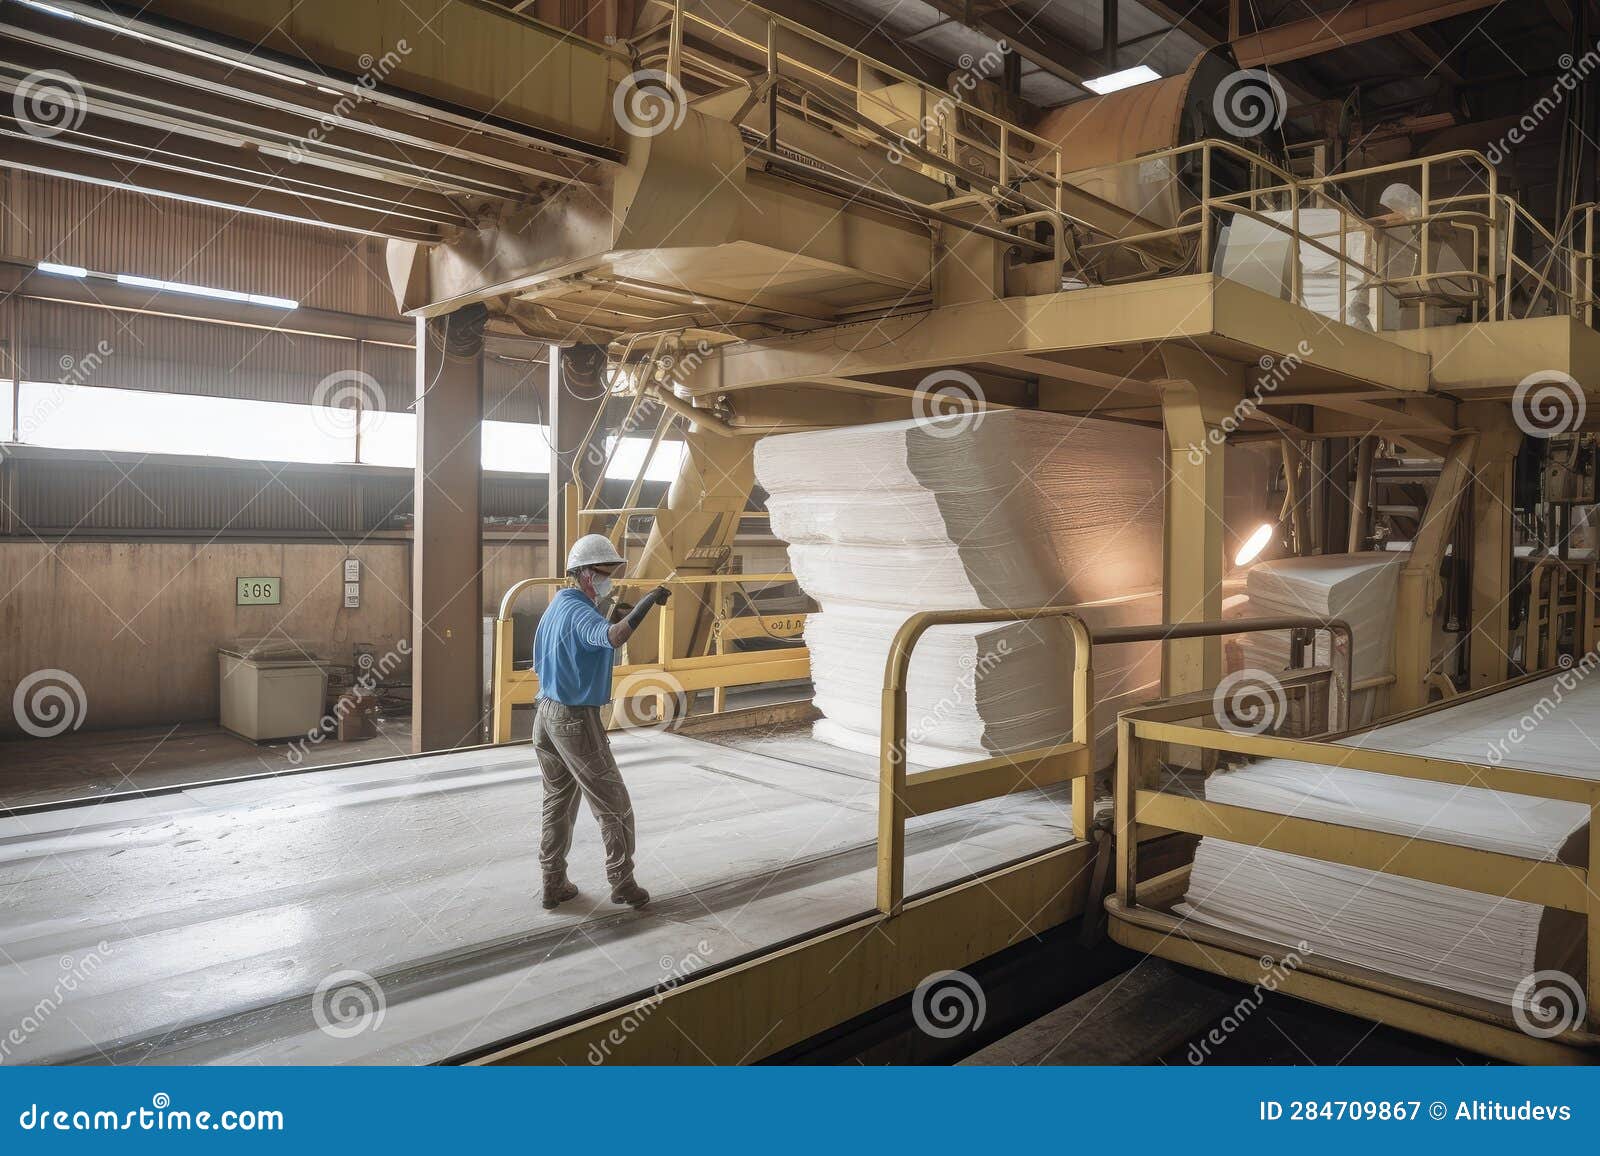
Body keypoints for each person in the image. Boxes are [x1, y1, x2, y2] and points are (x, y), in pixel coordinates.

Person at [532, 533, 672, 911]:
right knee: (615, 806)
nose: (610, 578)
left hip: (545, 715)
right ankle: (623, 883)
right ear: (584, 575)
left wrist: (615, 611)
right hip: (573, 720)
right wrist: (645, 605)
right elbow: (611, 638)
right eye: (605, 572)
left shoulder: (558, 606)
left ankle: (553, 883)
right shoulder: (580, 612)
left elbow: (581, 644)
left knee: (557, 804)